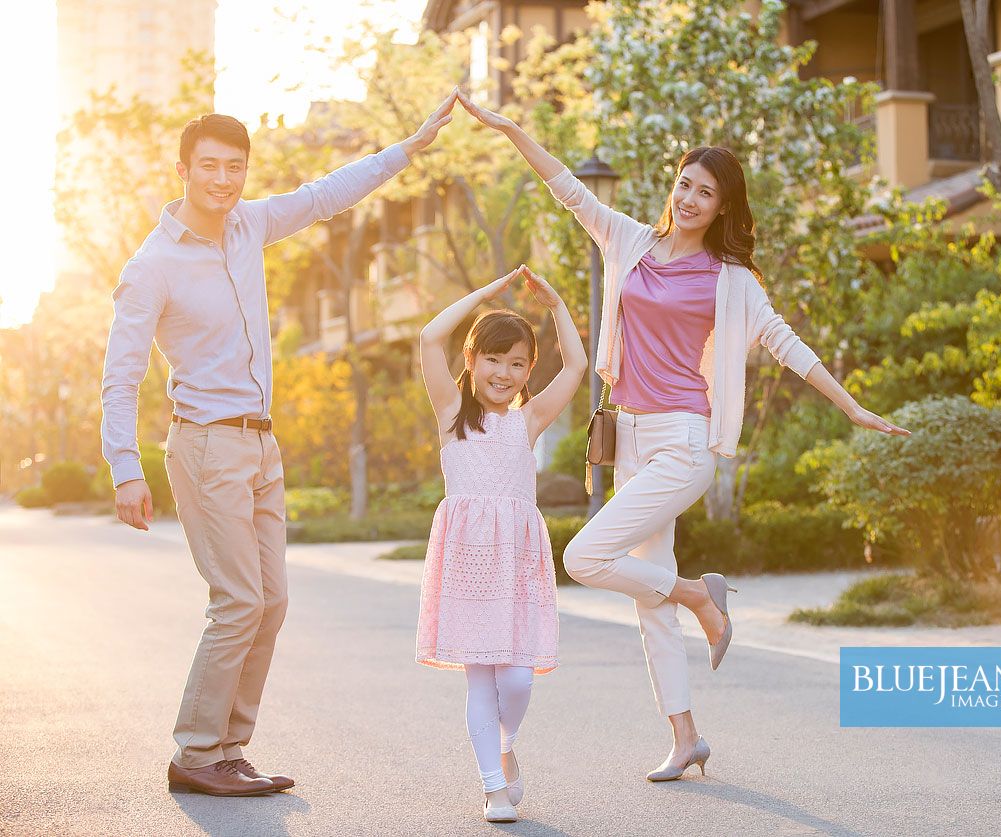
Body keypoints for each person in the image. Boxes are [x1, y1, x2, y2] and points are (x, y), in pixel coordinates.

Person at [456, 90, 910, 782]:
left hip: (683, 442)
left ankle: (700, 592)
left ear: (723, 205)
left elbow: (786, 343)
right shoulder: (630, 240)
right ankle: (685, 734)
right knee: (647, 598)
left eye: (705, 192)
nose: (690, 198)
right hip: (628, 437)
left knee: (583, 555)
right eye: (684, 184)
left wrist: (851, 407)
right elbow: (567, 190)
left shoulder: (731, 280)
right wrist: (511, 125)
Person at [100, 91, 458, 797]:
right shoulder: (152, 265)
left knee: (272, 601)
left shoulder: (248, 226)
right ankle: (196, 751)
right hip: (204, 445)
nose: (224, 180)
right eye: (209, 166)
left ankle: (229, 747)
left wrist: (406, 150)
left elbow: (325, 196)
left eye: (235, 167)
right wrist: (123, 468)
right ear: (182, 169)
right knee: (237, 599)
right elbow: (121, 373)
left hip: (262, 446)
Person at [416, 264, 586, 823]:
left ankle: (506, 745)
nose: (504, 372)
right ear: (472, 361)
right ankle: (492, 787)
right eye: (493, 359)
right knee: (480, 678)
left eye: (517, 363)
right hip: (466, 563)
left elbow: (579, 366)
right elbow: (428, 336)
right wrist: (485, 296)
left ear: (529, 369)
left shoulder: (529, 419)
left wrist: (558, 305)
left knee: (515, 678)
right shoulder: (449, 414)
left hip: (515, 563)